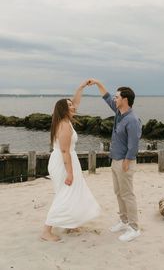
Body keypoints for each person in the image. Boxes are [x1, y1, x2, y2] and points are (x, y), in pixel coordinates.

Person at [41, 80, 101, 242]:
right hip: (63, 162)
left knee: (70, 193)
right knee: (65, 194)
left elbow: (76, 102)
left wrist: (81, 87)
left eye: (72, 104)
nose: (73, 106)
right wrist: (69, 173)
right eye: (70, 105)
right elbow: (64, 150)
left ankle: (70, 224)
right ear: (64, 109)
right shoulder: (64, 125)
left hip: (65, 160)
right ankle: (46, 230)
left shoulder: (65, 121)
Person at [88, 79, 142, 242]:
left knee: (127, 194)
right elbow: (106, 96)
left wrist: (127, 161)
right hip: (116, 160)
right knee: (119, 193)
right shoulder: (119, 113)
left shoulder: (132, 120)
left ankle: (134, 228)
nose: (114, 99)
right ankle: (124, 220)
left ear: (125, 100)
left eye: (117, 97)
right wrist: (97, 83)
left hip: (125, 162)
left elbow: (134, 144)